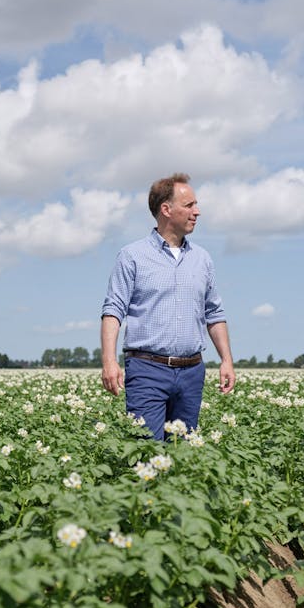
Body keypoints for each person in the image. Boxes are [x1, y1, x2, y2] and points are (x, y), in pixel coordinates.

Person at [100, 173, 235, 439]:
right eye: (189, 205)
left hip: (192, 372)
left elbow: (214, 314)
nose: (197, 212)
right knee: (147, 453)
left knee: (184, 457)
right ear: (166, 209)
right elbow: (113, 310)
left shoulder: (202, 259)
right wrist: (109, 361)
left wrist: (227, 360)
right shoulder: (132, 256)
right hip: (147, 370)